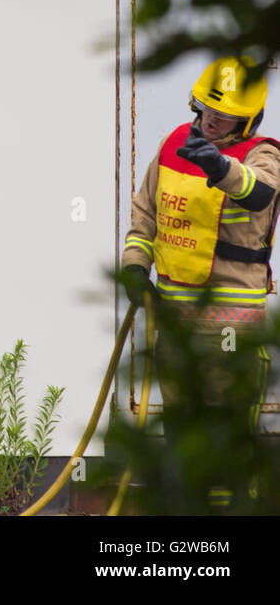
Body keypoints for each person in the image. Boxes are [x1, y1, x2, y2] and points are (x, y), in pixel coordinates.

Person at [120, 56, 280, 509]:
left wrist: (220, 168)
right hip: (175, 316)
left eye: (223, 113)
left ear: (248, 119)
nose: (210, 119)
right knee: (180, 421)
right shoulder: (174, 144)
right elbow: (145, 213)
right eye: (205, 108)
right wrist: (135, 266)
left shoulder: (261, 154)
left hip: (230, 321)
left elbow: (261, 190)